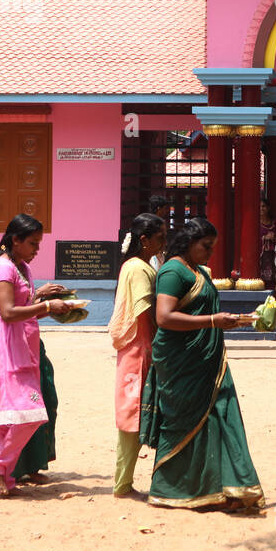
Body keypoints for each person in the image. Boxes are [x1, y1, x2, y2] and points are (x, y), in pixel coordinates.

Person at [140, 218, 264, 510]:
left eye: (213, 247)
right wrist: (212, 321)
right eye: (206, 246)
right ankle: (172, 489)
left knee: (222, 416)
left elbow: (203, 309)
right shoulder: (173, 271)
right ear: (188, 242)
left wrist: (226, 321)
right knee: (185, 422)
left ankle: (225, 489)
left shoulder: (197, 271)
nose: (210, 252)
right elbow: (164, 317)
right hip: (182, 363)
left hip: (208, 361)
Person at [0, 215, 71, 496]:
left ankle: (3, 478)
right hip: (7, 350)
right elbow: (8, 312)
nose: (36, 249)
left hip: (24, 347)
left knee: (18, 415)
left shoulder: (22, 269)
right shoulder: (3, 269)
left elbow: (24, 303)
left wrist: (43, 301)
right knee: (30, 413)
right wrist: (46, 308)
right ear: (15, 240)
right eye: (32, 243)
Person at [108, 213, 165, 497]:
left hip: (140, 347)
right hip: (139, 349)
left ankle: (125, 482)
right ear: (145, 240)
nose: (164, 242)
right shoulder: (138, 268)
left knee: (136, 413)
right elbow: (145, 309)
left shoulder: (140, 265)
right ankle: (123, 484)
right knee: (132, 415)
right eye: (160, 238)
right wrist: (160, 340)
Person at [258, 198, 276, 295]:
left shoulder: (275, 224)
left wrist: (275, 238)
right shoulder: (255, 224)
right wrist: (264, 238)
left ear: (268, 208)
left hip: (275, 257)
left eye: (264, 206)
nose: (261, 209)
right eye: (259, 206)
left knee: (275, 282)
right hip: (262, 259)